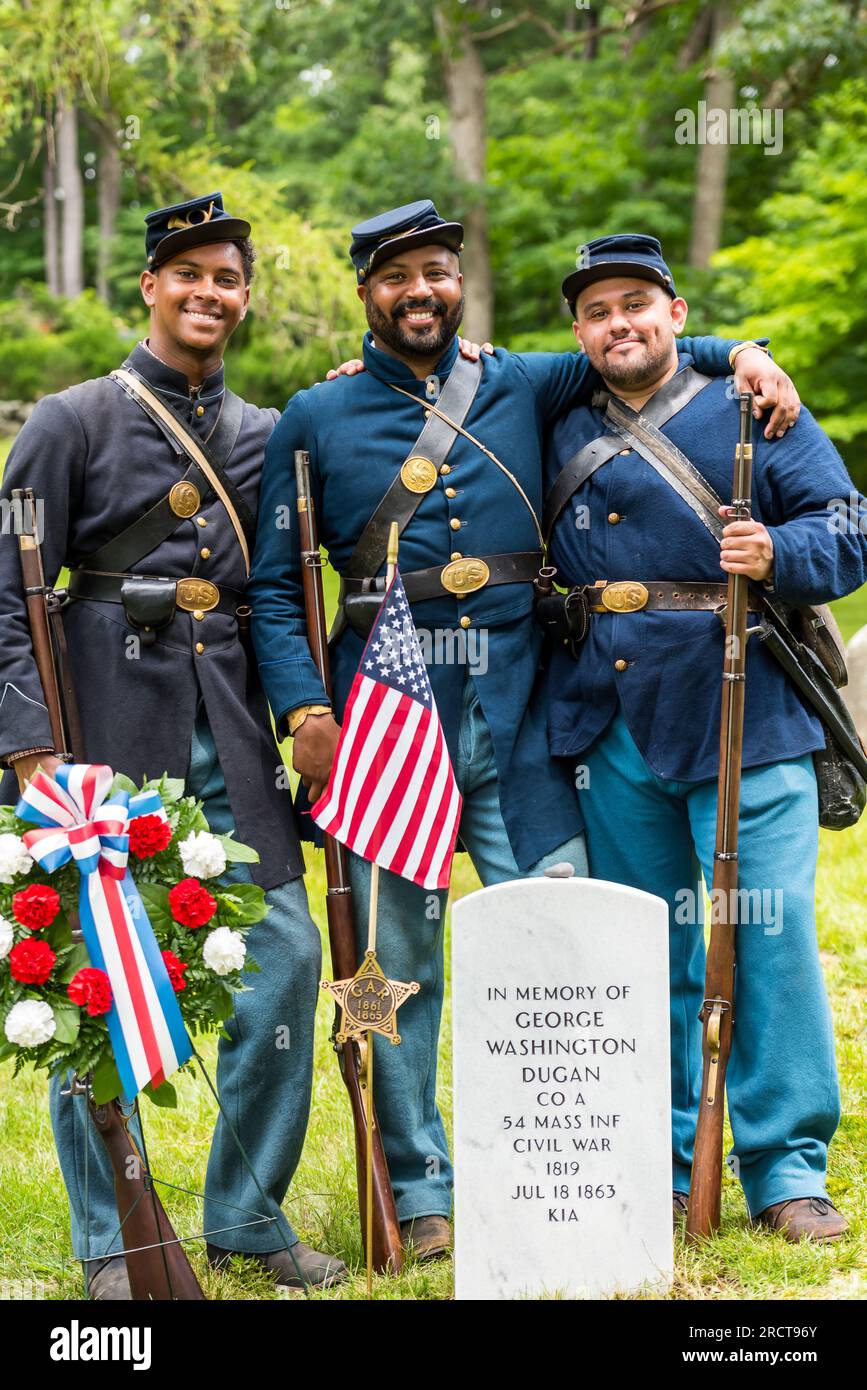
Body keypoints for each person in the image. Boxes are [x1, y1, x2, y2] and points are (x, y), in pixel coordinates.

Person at [247, 200, 795, 1258]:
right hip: (385, 726)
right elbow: (278, 588)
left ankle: (569, 1171)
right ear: (366, 292)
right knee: (393, 968)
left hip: (525, 717)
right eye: (397, 277)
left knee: (564, 944)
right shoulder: (312, 419)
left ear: (462, 284)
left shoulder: (523, 378)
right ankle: (421, 1187)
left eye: (438, 273)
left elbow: (638, 337)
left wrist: (751, 354)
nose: (421, 293)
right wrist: (305, 708)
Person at [0, 193, 345, 1296]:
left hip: (234, 739)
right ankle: (114, 1238)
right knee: (95, 986)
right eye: (187, 273)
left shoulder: (267, 432)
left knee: (288, 962)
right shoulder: (70, 420)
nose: (209, 292)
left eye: (228, 277)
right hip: (100, 741)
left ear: (245, 296)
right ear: (149, 285)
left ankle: (247, 1218)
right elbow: (8, 598)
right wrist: (29, 749)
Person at [544, 233, 867, 1240]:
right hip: (612, 720)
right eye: (598, 312)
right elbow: (451, 385)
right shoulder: (552, 416)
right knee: (648, 952)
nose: (619, 324)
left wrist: (777, 549)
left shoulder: (758, 406)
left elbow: (849, 525)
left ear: (677, 314)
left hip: (748, 718)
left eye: (638, 302)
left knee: (764, 942)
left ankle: (785, 1168)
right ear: (578, 332)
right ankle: (671, 1154)